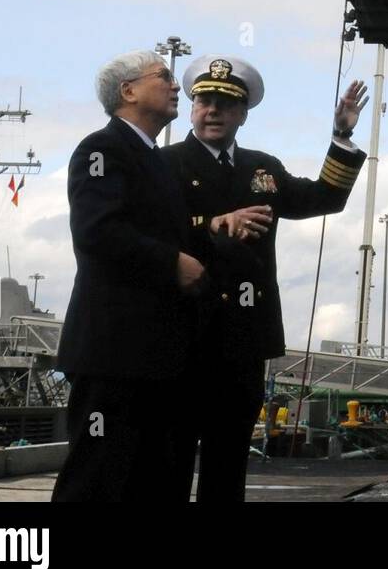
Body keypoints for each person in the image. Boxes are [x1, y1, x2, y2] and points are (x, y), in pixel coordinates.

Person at [165, 55, 368, 502]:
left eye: (224, 103)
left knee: (230, 452)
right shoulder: (164, 164)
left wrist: (342, 135)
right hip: (182, 330)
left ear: (242, 113)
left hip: (243, 333)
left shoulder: (263, 168)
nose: (213, 110)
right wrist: (215, 224)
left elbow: (325, 198)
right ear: (192, 108)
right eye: (204, 101)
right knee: (173, 452)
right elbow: (150, 235)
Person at [52, 51, 210, 502]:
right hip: (114, 353)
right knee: (99, 477)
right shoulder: (101, 149)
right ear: (128, 91)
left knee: (154, 479)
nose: (176, 86)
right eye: (164, 76)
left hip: (157, 355)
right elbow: (97, 230)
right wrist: (171, 262)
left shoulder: (155, 161)